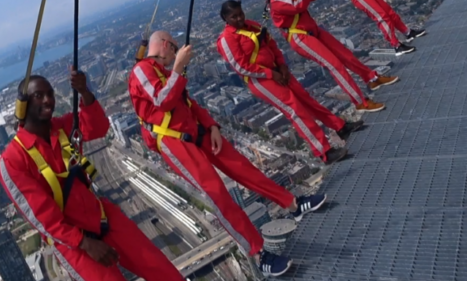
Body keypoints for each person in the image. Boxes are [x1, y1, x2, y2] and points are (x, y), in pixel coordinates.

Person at [130, 31, 325, 277]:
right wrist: (178, 67)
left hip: (197, 131)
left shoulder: (164, 72)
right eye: (175, 49)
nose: (175, 55)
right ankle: (258, 254)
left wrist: (211, 126)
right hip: (173, 141)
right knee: (218, 194)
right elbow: (162, 101)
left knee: (243, 168)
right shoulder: (141, 70)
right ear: (166, 45)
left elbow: (187, 103)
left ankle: (293, 204)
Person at [0, 72, 186, 281]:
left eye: (50, 94)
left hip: (103, 217)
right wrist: (84, 243)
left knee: (162, 271)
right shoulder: (13, 160)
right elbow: (43, 217)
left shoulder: (64, 127)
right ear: (22, 106)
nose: (48, 100)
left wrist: (84, 92)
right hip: (73, 245)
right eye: (38, 96)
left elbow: (98, 127)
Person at [217, 0, 360, 162]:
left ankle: (340, 127)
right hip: (260, 80)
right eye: (234, 17)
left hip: (277, 70)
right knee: (295, 109)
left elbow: (271, 45)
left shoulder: (252, 25)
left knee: (306, 100)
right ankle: (323, 151)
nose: (239, 18)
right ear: (225, 18)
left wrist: (282, 65)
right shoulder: (227, 39)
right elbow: (241, 67)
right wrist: (271, 73)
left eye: (240, 14)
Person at [267, 0, 392, 112]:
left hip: (312, 31)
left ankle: (372, 78)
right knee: (335, 65)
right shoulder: (276, 0)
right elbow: (298, 5)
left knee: (346, 55)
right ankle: (360, 102)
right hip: (300, 37)